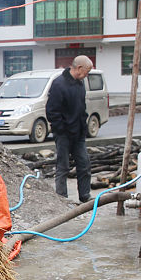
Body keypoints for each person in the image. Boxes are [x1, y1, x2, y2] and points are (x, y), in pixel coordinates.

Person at [45, 55, 93, 203]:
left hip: (78, 133)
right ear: (79, 68)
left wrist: (83, 128)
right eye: (87, 71)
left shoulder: (80, 84)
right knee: (63, 166)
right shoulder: (59, 84)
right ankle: (62, 198)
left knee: (84, 164)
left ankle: (85, 195)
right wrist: (60, 129)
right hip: (64, 133)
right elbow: (52, 111)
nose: (87, 75)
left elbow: (82, 108)